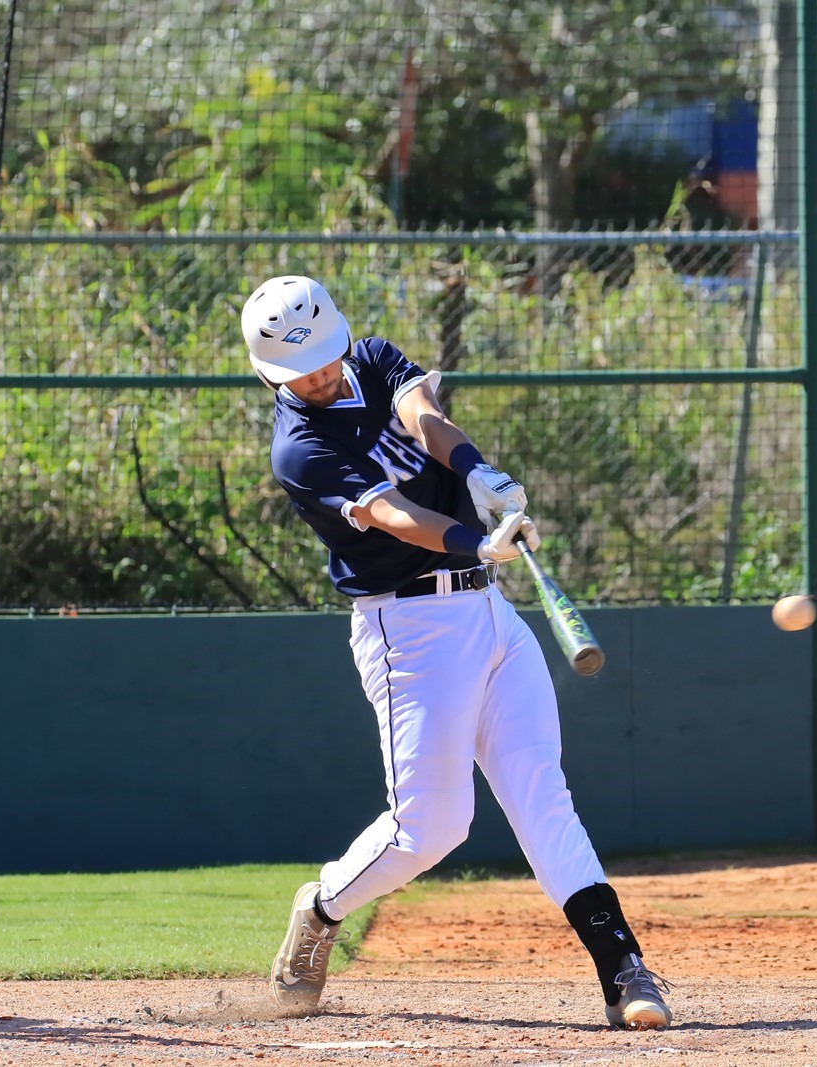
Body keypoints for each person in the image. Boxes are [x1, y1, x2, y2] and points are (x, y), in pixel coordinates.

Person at [242, 275, 671, 1030]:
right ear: (268, 372)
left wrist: (477, 471)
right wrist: (479, 538)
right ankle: (320, 907)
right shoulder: (298, 449)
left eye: (323, 358)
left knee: (543, 794)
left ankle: (623, 967)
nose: (316, 376)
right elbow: (390, 512)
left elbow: (423, 413)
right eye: (296, 370)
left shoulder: (368, 358)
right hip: (409, 634)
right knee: (432, 829)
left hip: (488, 613)